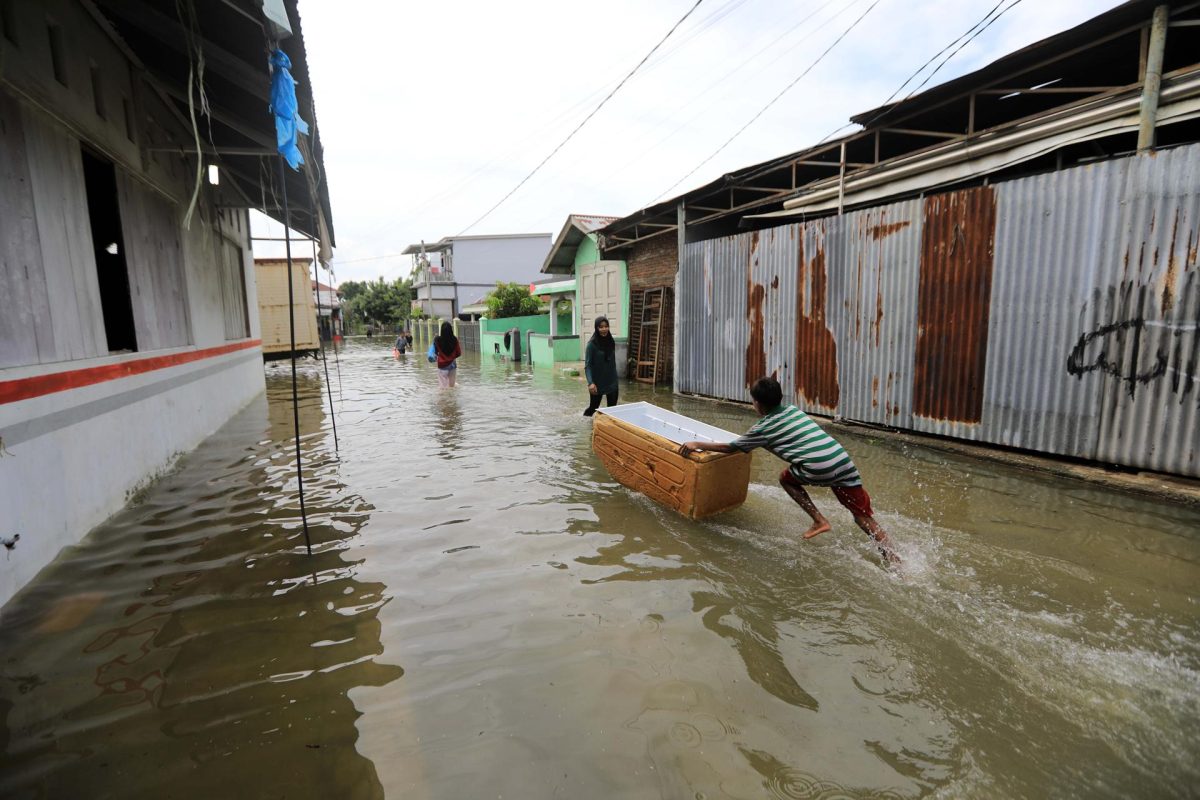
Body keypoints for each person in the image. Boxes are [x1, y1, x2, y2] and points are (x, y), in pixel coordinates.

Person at [678, 376, 898, 562]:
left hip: (818, 466)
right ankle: (892, 557)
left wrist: (697, 444)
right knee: (862, 517)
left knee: (786, 478)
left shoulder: (763, 428)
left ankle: (819, 520)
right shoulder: (793, 411)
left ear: (757, 404)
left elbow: (731, 447)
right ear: (781, 398)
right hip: (841, 460)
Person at [583, 316, 618, 416]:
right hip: (597, 383)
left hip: (612, 382)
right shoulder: (591, 345)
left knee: (612, 410)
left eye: (606, 326)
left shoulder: (611, 341)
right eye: (601, 327)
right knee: (593, 408)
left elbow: (612, 362)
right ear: (596, 328)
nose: (604, 329)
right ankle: (584, 423)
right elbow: (588, 366)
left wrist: (615, 379)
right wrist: (590, 383)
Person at [433, 321, 461, 388]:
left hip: (442, 366)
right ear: (451, 330)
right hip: (453, 365)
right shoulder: (455, 339)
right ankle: (452, 398)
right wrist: (452, 357)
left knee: (443, 388)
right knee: (452, 386)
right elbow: (459, 353)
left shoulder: (437, 340)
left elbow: (435, 352)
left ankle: (444, 398)